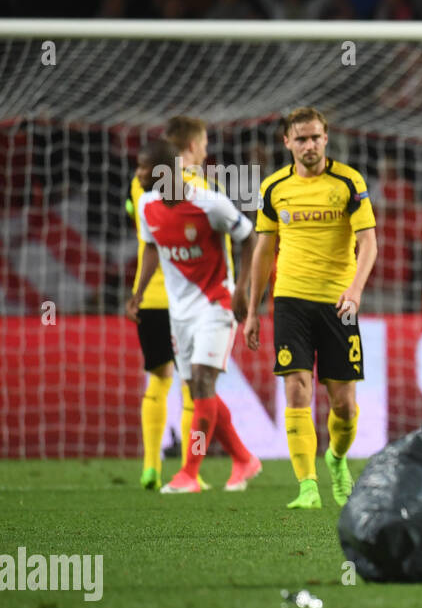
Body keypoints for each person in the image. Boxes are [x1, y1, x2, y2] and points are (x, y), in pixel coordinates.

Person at [244, 107, 378, 510]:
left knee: (345, 405)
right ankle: (306, 486)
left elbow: (368, 243)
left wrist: (355, 289)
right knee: (296, 387)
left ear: (326, 138)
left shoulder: (348, 183)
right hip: (290, 300)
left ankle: (336, 460)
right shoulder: (273, 188)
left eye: (316, 137)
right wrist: (253, 309)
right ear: (287, 142)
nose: (310, 145)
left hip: (339, 302)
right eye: (301, 139)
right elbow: (263, 250)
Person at [126, 140, 261, 493]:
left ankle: (189, 472)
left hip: (216, 304)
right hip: (180, 313)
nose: (137, 174)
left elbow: (250, 238)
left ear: (163, 171)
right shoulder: (146, 205)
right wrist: (137, 294)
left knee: (201, 382)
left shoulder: (210, 204)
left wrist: (243, 289)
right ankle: (244, 459)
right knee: (202, 391)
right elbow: (152, 247)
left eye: (143, 168)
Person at [126, 115, 217, 491]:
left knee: (157, 378)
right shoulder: (198, 188)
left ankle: (150, 466)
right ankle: (187, 471)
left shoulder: (139, 184)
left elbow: (141, 224)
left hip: (150, 297)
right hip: (191, 299)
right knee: (190, 387)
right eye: (205, 144)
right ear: (193, 147)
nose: (207, 151)